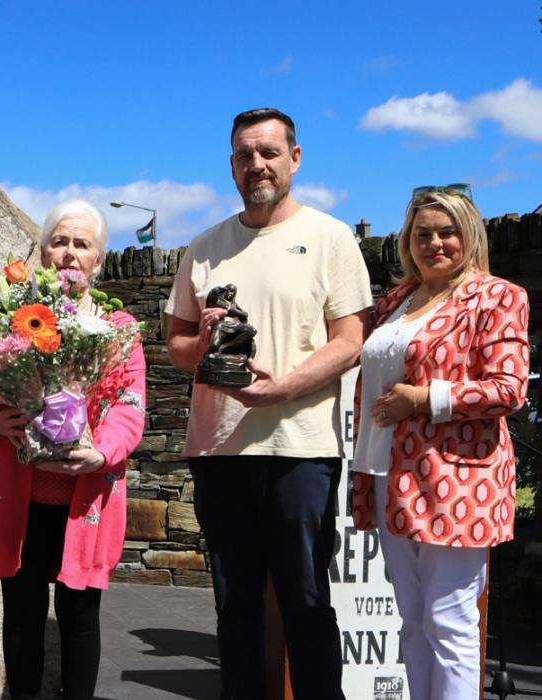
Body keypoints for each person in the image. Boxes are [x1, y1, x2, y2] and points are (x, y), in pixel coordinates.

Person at [165, 108, 371, 699]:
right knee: (235, 605)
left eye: (269, 153)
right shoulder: (204, 248)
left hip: (299, 448)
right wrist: (200, 341)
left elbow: (351, 341)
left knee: (306, 601)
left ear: (294, 159)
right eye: (244, 155)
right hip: (218, 448)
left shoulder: (331, 238)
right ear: (231, 165)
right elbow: (177, 346)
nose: (257, 165)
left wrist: (280, 389)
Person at [0, 198, 147, 700]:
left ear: (99, 259)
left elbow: (130, 408)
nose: (69, 253)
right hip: (21, 500)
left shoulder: (120, 329)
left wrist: (102, 454)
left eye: (81, 244)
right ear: (43, 253)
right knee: (20, 617)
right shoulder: (10, 320)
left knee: (80, 619)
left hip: (85, 502)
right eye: (59, 241)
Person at [351, 185, 529, 699]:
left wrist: (425, 399)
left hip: (456, 478)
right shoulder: (396, 300)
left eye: (447, 232)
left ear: (469, 235)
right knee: (410, 619)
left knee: (449, 620)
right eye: (422, 233)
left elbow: (509, 387)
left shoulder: (498, 296)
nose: (435, 243)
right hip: (386, 472)